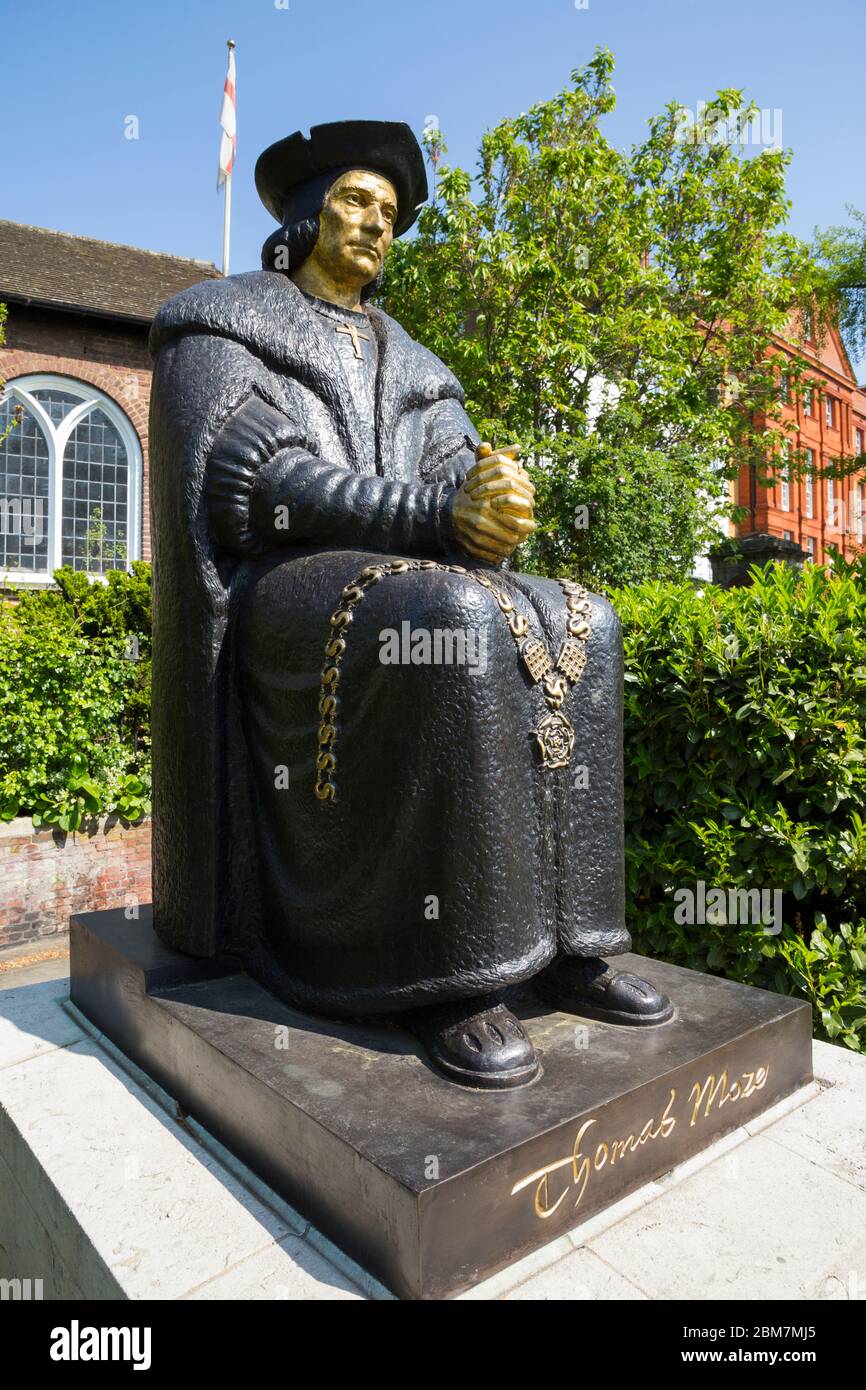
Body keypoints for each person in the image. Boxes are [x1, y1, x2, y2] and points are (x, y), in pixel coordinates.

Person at [148, 120, 673, 1091]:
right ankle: (447, 968)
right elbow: (253, 480)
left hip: (405, 573)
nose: (374, 224)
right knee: (449, 621)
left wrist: (494, 501)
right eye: (354, 201)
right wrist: (433, 516)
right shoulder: (219, 324)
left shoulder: (418, 364)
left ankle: (571, 940)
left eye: (388, 214)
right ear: (304, 215)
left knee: (582, 620)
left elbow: (454, 467)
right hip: (283, 589)